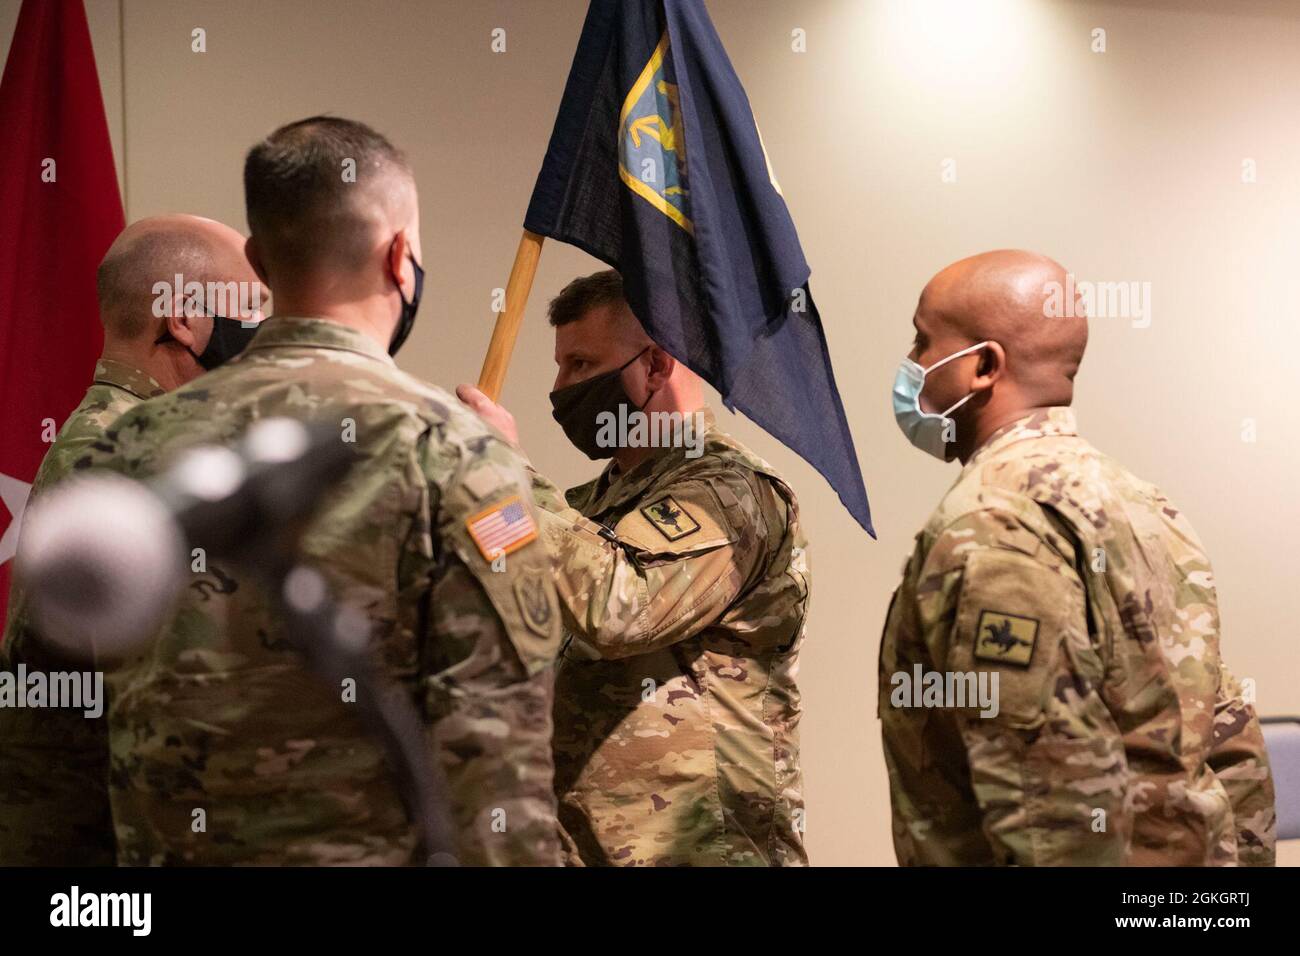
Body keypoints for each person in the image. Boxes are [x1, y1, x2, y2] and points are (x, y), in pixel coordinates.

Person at [10, 117, 564, 866]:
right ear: (401, 258)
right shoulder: (460, 455)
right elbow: (497, 763)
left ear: (262, 262)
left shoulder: (122, 448)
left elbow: (47, 741)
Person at [878, 248, 1276, 866]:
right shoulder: (1145, 505)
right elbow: (1230, 745)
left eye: (922, 341)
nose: (911, 366)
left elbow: (1048, 806)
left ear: (982, 366)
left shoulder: (993, 525)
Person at [458, 269, 810, 866]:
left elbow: (620, 607)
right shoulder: (584, 508)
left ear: (655, 366)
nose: (561, 387)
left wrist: (503, 477)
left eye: (582, 364)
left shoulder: (731, 493)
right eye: (561, 365)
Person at [0, 213, 266, 866]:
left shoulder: (116, 444)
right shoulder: (135, 464)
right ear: (184, 318)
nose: (267, 335)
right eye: (254, 308)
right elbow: (201, 719)